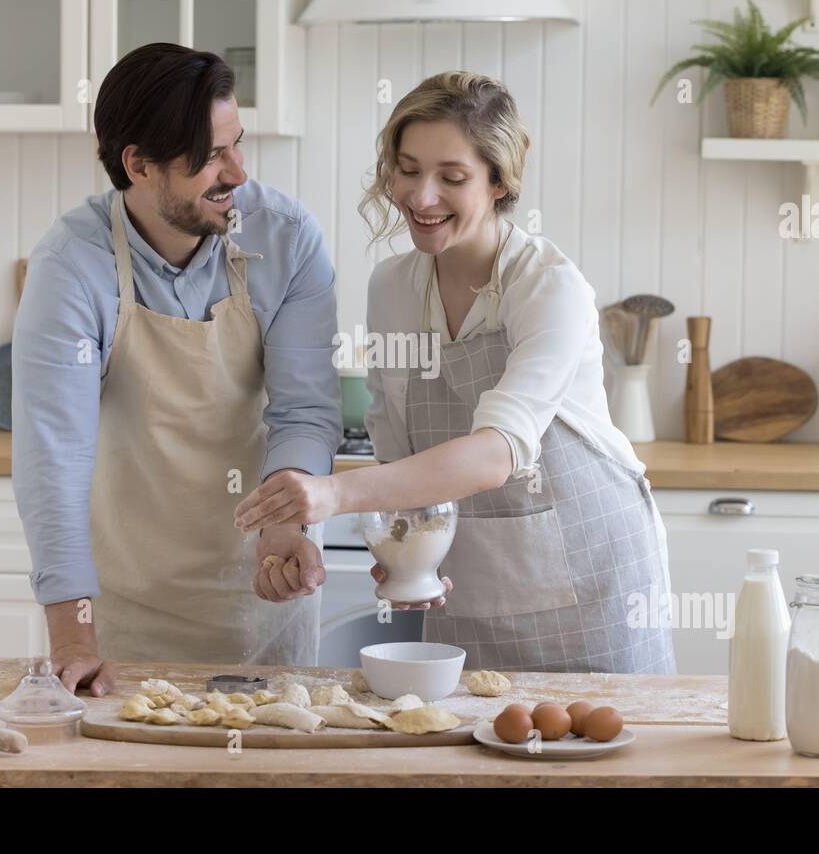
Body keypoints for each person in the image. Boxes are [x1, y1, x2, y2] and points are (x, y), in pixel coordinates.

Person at [236, 71, 675, 673]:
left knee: (596, 756)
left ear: (499, 182)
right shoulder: (391, 287)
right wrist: (401, 551)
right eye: (408, 169)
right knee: (473, 752)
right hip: (469, 576)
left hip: (594, 575)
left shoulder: (548, 287)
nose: (421, 197)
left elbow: (498, 452)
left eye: (452, 177)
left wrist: (333, 492)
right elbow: (394, 447)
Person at [13, 43, 342, 695]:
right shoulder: (71, 266)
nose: (239, 171)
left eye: (237, 144)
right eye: (212, 156)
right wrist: (73, 637)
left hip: (265, 599)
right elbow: (54, 460)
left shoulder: (286, 238)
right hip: (124, 621)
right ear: (138, 164)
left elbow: (304, 409)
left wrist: (285, 522)